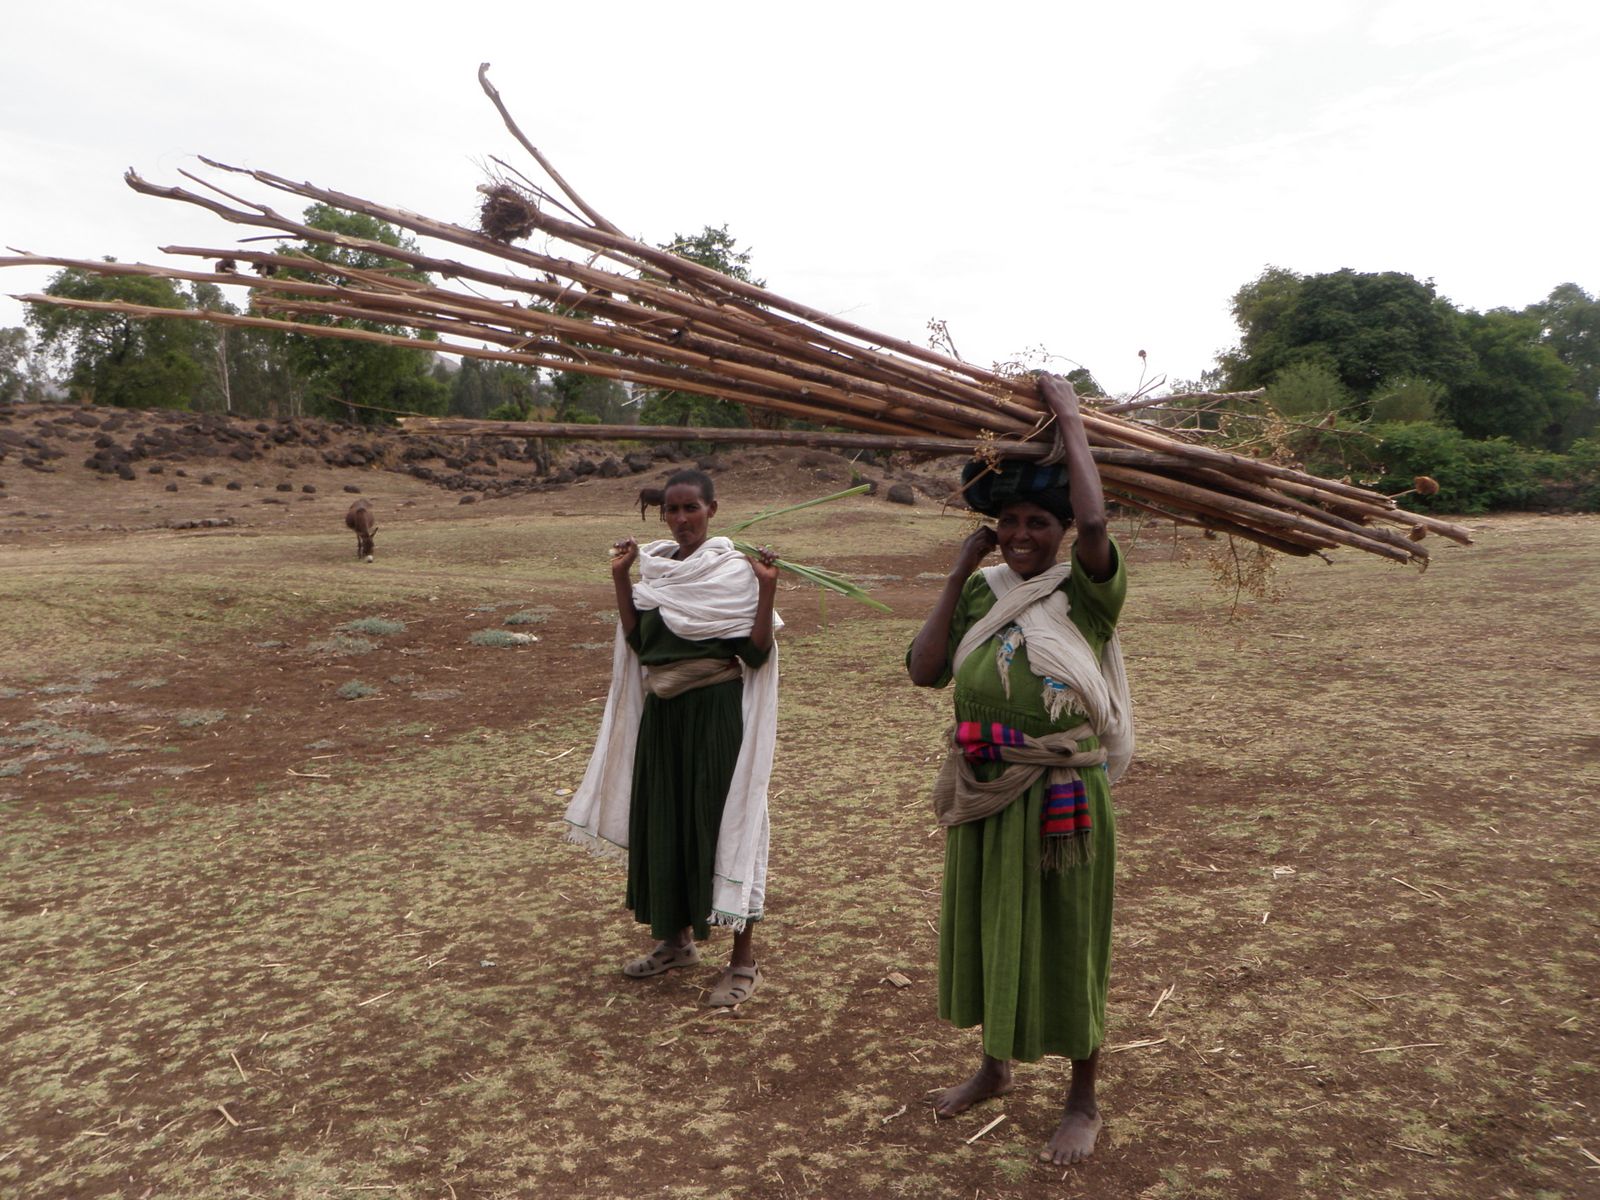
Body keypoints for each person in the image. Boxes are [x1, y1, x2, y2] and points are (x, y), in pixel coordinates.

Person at [906, 375, 1132, 1166]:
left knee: (1070, 935)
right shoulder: (983, 591)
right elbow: (924, 670)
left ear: (1065, 531)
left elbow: (1097, 514)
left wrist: (1069, 415)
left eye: (1038, 521)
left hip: (1063, 792)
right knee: (989, 923)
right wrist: (959, 568)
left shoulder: (1088, 593)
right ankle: (993, 1068)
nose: (1021, 534)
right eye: (1007, 521)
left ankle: (1083, 1099)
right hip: (984, 789)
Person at [564, 468, 781, 1007]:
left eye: (691, 509)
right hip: (664, 719)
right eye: (672, 510)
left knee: (724, 824)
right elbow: (641, 645)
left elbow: (753, 655)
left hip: (714, 717)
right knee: (666, 821)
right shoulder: (657, 572)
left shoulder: (734, 574)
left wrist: (769, 589)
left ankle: (743, 961)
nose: (681, 519)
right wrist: (621, 577)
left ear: (712, 509)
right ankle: (675, 941)